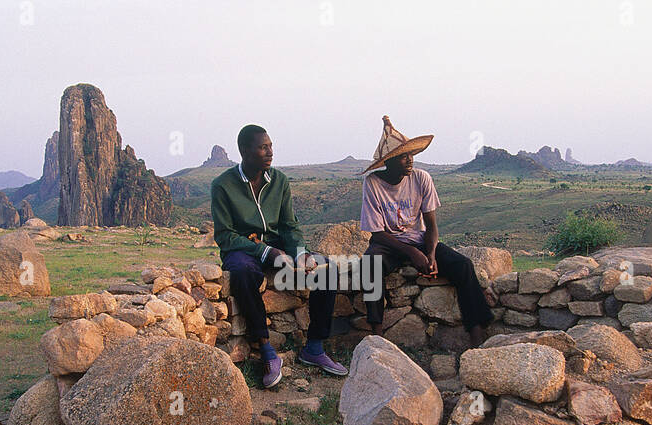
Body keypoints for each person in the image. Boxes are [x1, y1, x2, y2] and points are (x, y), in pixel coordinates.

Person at [211, 124, 347, 388]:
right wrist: (266, 251)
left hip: (279, 249)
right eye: (262, 147)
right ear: (244, 150)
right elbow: (225, 235)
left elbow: (289, 225)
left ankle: (315, 348)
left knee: (326, 268)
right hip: (243, 251)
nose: (269, 151)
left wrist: (299, 254)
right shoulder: (223, 186)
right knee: (243, 273)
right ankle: (267, 351)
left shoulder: (280, 181)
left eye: (270, 145)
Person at [359, 116, 492, 347]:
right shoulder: (373, 183)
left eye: (411, 154)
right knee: (370, 265)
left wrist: (430, 255)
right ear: (388, 161)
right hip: (388, 243)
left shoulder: (422, 178)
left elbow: (431, 225)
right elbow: (377, 233)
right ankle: (377, 334)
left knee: (463, 266)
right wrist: (412, 253)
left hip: (419, 240)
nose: (409, 160)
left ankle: (476, 333)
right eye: (403, 156)